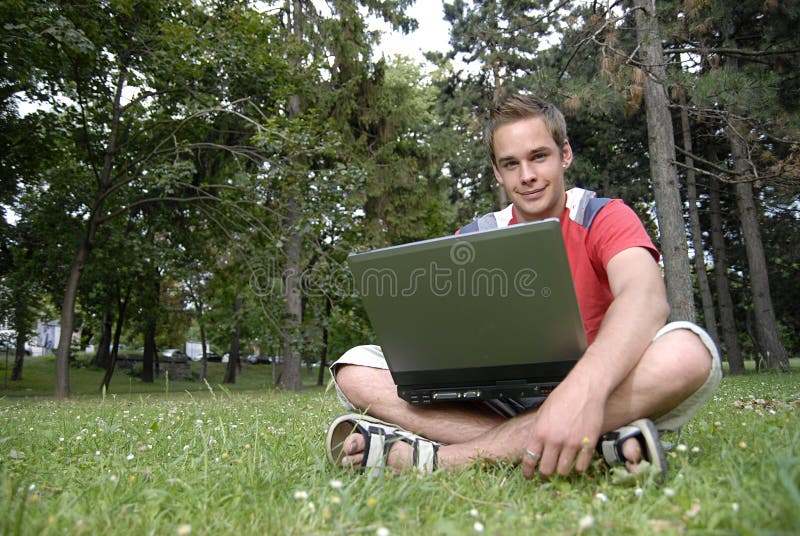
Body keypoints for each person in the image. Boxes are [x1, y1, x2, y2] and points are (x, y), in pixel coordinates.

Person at [325, 93, 721, 480]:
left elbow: (645, 298)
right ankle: (599, 446)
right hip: (500, 399)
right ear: (498, 172)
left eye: (539, 157)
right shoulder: (477, 235)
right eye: (511, 164)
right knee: (354, 369)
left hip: (601, 385)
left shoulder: (603, 216)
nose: (527, 175)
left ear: (564, 154)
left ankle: (445, 459)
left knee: (686, 352)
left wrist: (581, 391)